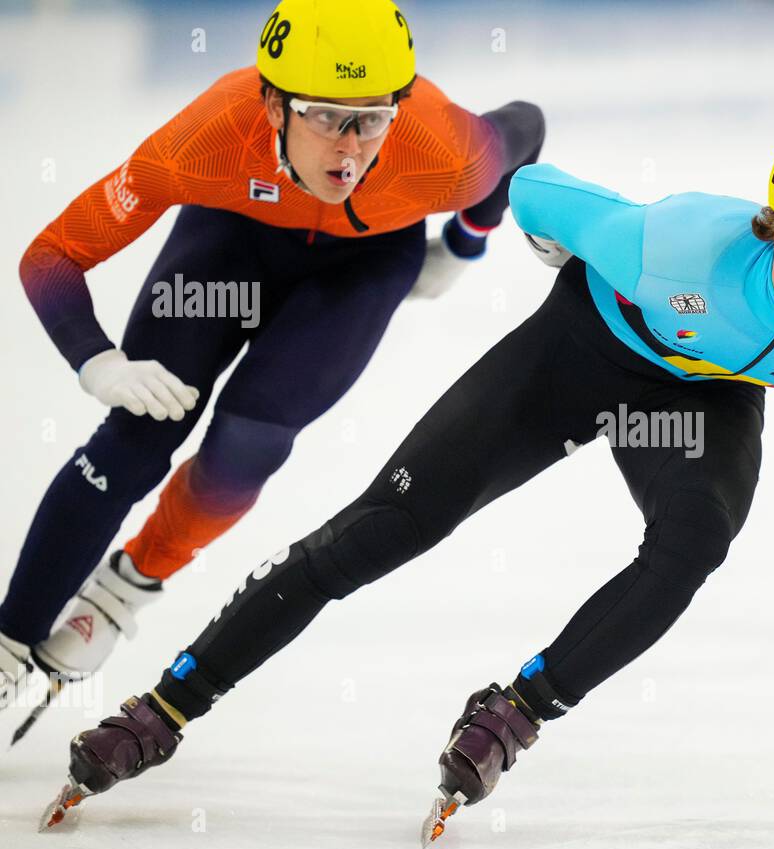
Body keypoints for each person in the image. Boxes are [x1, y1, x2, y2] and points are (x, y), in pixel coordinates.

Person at [40, 121, 774, 843]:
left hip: (707, 398)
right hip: (584, 352)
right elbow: (534, 191)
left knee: (695, 540)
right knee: (387, 528)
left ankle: (519, 710)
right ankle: (166, 707)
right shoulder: (672, 247)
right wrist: (551, 249)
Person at [0, 0, 545, 711]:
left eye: (373, 117)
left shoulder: (445, 150)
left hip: (362, 269)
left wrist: (468, 242)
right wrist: (95, 359)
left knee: (248, 443)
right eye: (324, 115)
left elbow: (526, 125)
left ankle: (123, 589)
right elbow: (53, 256)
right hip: (230, 244)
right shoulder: (208, 137)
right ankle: (10, 643)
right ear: (272, 103)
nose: (349, 148)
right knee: (136, 436)